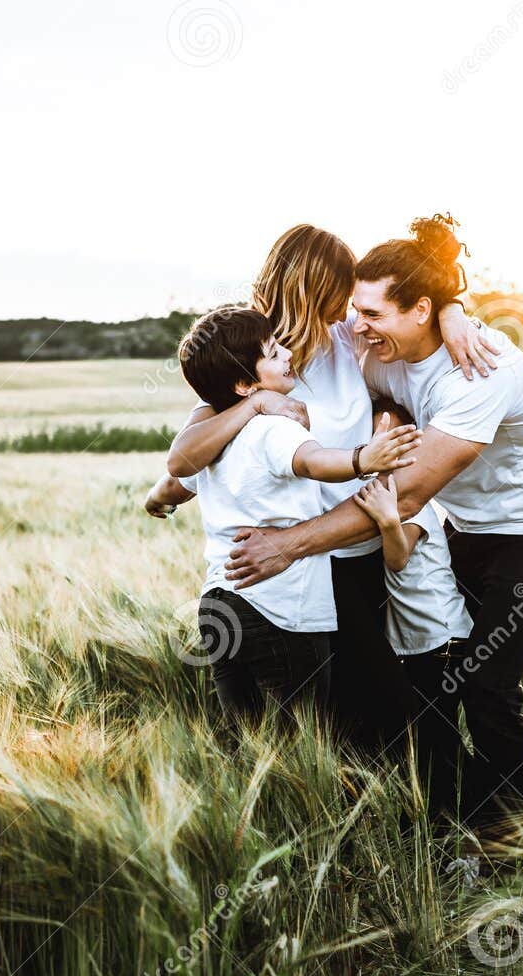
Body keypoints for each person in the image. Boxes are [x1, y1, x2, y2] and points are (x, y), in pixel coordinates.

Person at [226, 215, 523, 845]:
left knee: (486, 679)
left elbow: (409, 489)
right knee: (431, 675)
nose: (354, 325)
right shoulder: (377, 347)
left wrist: (288, 543)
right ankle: (459, 820)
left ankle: (515, 838)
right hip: (469, 530)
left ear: (419, 310)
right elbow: (278, 344)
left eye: (372, 313)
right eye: (353, 310)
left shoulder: (480, 369)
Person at [161, 224, 498, 750]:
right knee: (350, 714)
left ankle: (398, 818)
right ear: (314, 292)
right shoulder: (254, 355)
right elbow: (190, 451)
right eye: (339, 294)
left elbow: (407, 300)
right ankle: (344, 819)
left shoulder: (345, 336)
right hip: (302, 566)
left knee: (375, 707)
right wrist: (247, 411)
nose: (351, 309)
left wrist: (452, 310)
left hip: (363, 547)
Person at [144, 305, 417, 724]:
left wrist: (156, 498)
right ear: (242, 384)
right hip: (282, 610)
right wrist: (364, 457)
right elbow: (313, 462)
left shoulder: (216, 441)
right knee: (300, 737)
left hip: (220, 602)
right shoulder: (275, 426)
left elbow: (177, 481)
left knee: (242, 741)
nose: (287, 354)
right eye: (273, 353)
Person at [350, 450, 472, 825]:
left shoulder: (410, 504)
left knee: (438, 739)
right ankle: (452, 820)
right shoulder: (394, 497)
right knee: (431, 737)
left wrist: (388, 520)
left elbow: (398, 557)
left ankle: (474, 819)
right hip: (421, 643)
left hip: (442, 640)